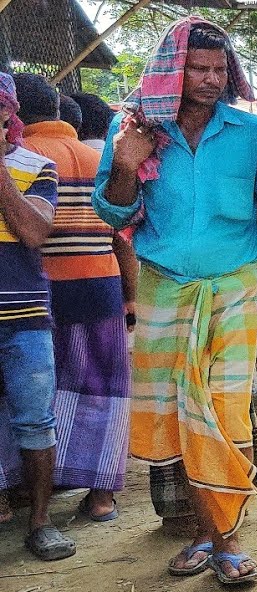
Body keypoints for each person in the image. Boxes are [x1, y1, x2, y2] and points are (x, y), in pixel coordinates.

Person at [92, 17, 257, 584]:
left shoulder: (253, 135)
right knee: (178, 415)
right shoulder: (134, 130)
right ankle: (206, 533)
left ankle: (226, 540)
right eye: (198, 69)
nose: (210, 79)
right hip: (162, 287)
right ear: (171, 72)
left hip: (234, 286)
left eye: (219, 69)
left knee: (226, 411)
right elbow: (113, 212)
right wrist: (126, 165)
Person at [12, 74, 134, 525]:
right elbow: (123, 238)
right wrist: (131, 297)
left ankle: (28, 490)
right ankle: (101, 495)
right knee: (103, 390)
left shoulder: (22, 158)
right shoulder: (98, 159)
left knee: (36, 392)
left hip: (37, 291)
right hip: (101, 285)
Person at [0, 71, 72, 560]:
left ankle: (41, 522)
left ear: (10, 112)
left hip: (24, 315)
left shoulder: (37, 165)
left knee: (35, 422)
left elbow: (33, 232)